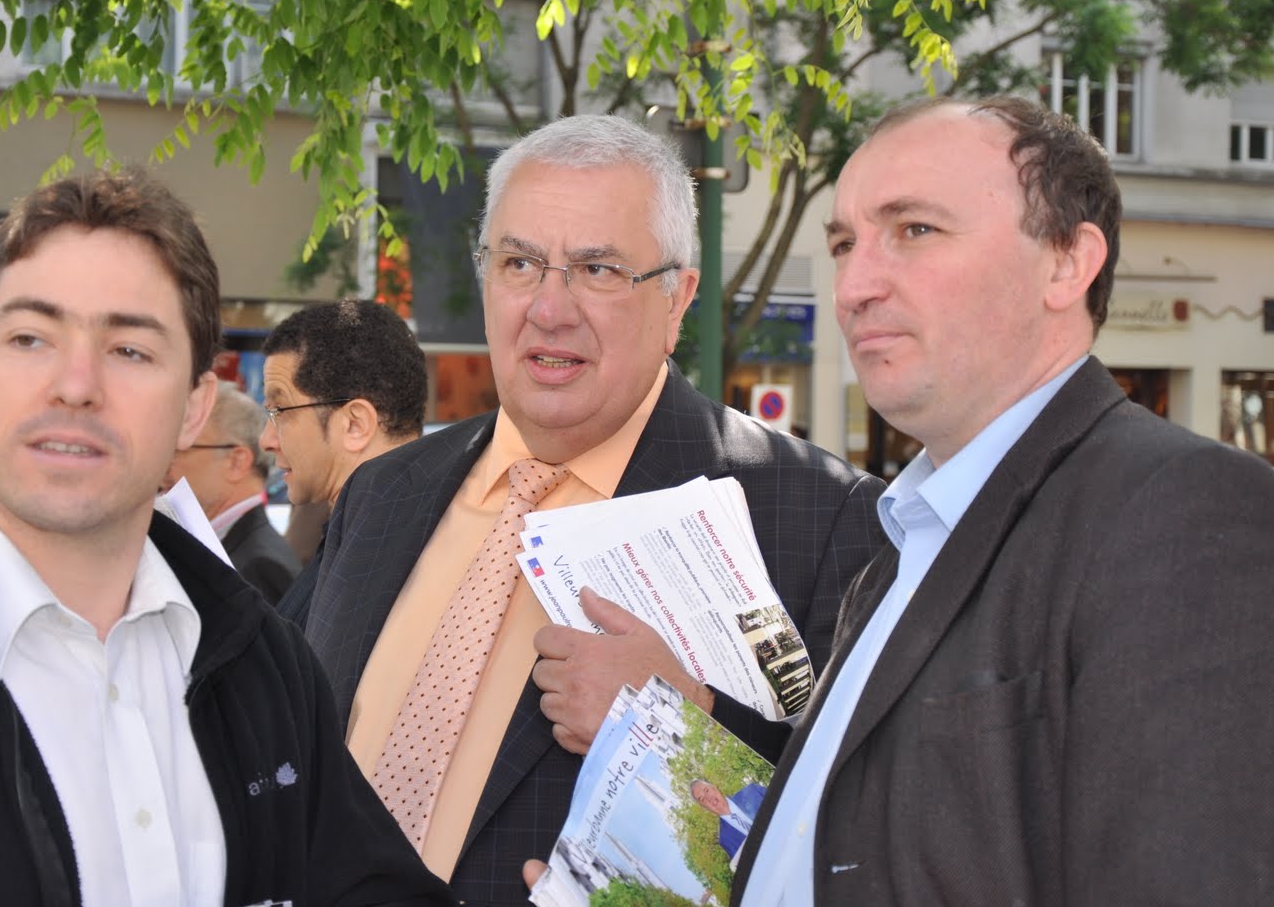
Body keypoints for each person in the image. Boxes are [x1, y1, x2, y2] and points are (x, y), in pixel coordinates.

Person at [0, 170, 453, 907]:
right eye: (29, 337)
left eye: (130, 350)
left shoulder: (264, 667)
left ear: (192, 407)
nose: (75, 384)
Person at [731, 97, 1274, 905]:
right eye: (844, 243)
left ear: (1066, 262)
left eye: (914, 229)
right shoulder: (900, 544)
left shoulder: (1190, 517)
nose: (855, 285)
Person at [300, 114, 886, 903]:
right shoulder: (382, 493)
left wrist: (681, 725)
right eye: (519, 262)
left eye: (598, 269)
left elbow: (865, 830)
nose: (549, 308)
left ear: (678, 298)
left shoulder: (823, 518)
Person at [259, 298, 428, 625]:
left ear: (355, 424)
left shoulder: (392, 563)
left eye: (279, 411)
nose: (266, 440)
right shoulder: (357, 539)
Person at [162, 382, 301, 603]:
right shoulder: (235, 550)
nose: (163, 465)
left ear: (237, 462)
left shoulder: (260, 567)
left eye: (176, 450)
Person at [690, 779, 766, 862]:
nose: (708, 798)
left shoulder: (753, 791)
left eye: (707, 790)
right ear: (704, 807)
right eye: (702, 799)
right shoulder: (725, 840)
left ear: (714, 787)